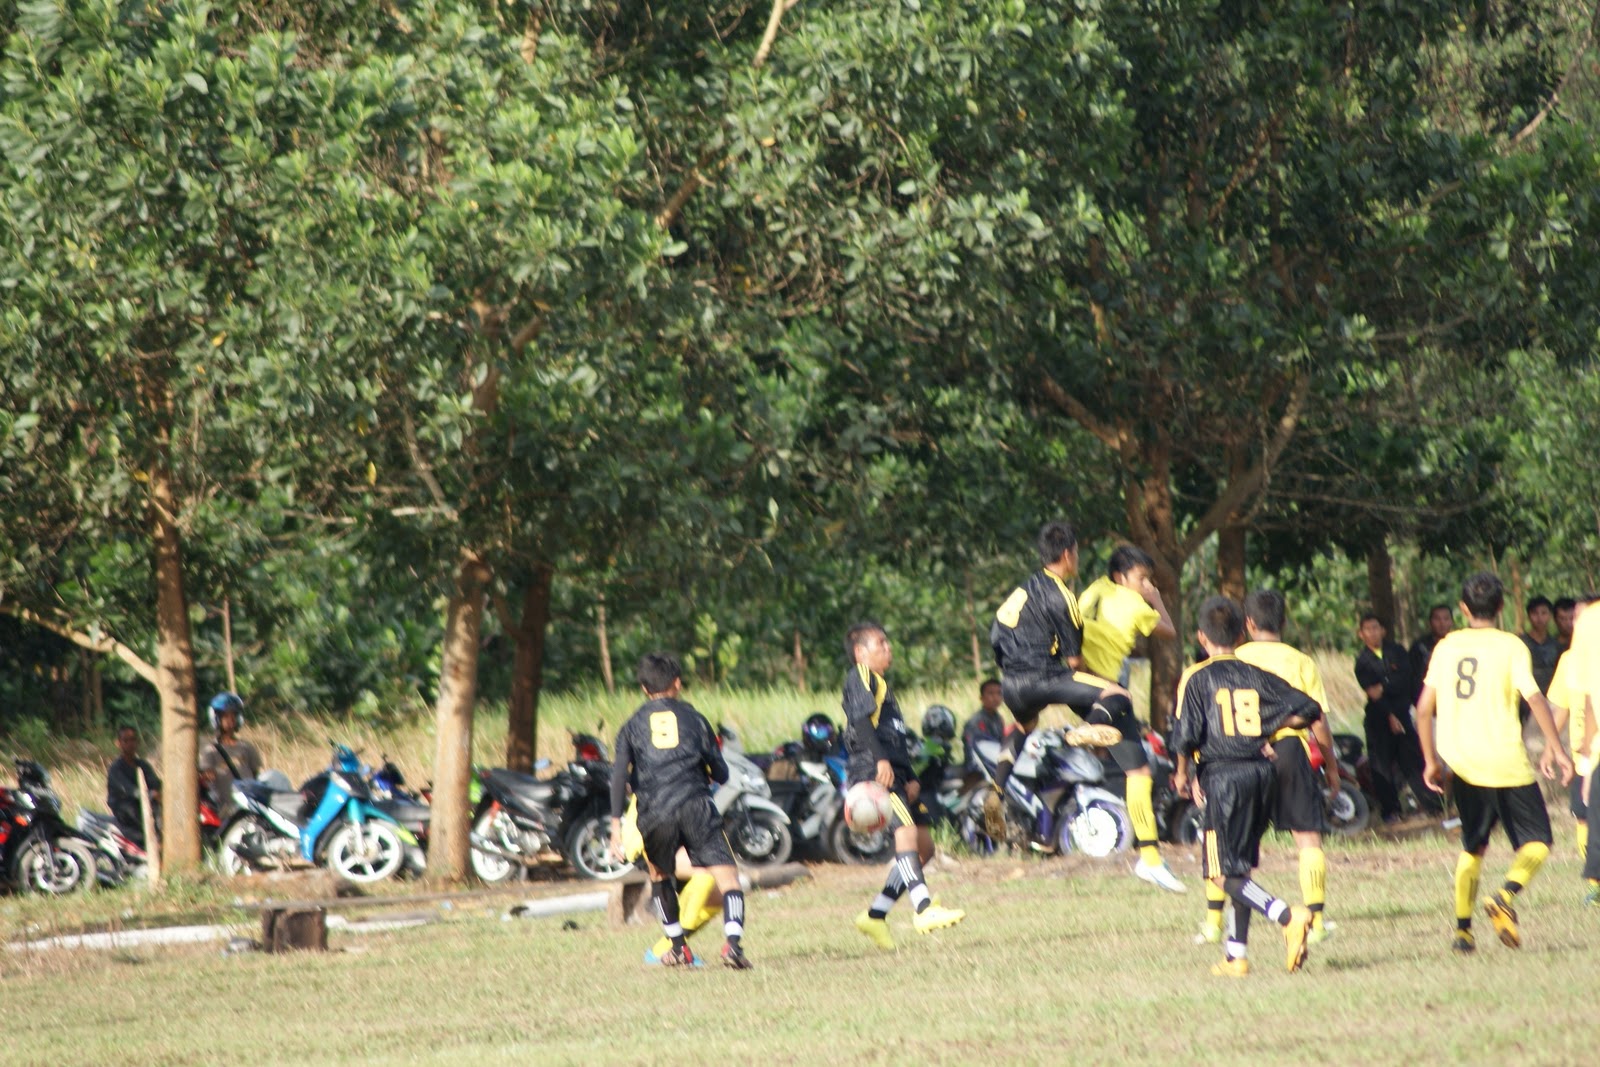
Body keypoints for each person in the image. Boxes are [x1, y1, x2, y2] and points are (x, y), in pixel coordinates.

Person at [989, 522, 1183, 891]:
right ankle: (1151, 859)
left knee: (1023, 726)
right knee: (1136, 759)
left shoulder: (1091, 589)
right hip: (1087, 686)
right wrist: (1155, 598)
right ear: (1122, 577)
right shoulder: (1132, 604)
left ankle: (996, 791)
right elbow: (1168, 631)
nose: (1146, 585)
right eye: (1143, 579)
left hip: (1023, 678)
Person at [1414, 572, 1574, 954]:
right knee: (1538, 841)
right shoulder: (1511, 646)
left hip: (1463, 762)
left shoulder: (1447, 645)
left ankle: (1463, 932)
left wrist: (1430, 762)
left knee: (1473, 846)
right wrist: (1556, 747)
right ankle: (1504, 896)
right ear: (1501, 608)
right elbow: (1534, 698)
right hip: (1504, 759)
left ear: (1463, 609)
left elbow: (1423, 709)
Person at [1170, 596, 1320, 977]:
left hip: (1224, 779)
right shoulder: (1256, 675)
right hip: (1260, 776)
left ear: (1202, 637)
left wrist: (1183, 774)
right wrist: (1272, 730)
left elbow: (1185, 735)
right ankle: (1236, 956)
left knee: (1221, 873)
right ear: (1240, 633)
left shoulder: (1198, 678)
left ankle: (1286, 915)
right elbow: (1309, 707)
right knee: (1240, 869)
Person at [1195, 590, 1340, 945]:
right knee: (1307, 838)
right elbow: (1317, 721)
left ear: (1248, 624)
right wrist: (1332, 768)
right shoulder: (1301, 661)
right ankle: (1316, 921)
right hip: (1289, 747)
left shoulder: (1233, 657)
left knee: (1227, 845)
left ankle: (1215, 924)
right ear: (1284, 622)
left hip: (1241, 754)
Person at [608, 652, 750, 969]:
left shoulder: (631, 726)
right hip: (696, 804)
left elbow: (618, 776)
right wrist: (709, 774)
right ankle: (733, 946)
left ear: (644, 689)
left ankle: (677, 947)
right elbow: (722, 772)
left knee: (660, 877)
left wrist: (615, 827)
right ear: (678, 683)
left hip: (654, 810)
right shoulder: (695, 719)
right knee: (729, 879)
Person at [844, 622, 965, 949]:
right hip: (874, 770)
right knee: (906, 834)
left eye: (887, 643)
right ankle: (923, 909)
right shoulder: (860, 676)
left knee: (924, 847)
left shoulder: (883, 685)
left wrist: (910, 776)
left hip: (897, 773)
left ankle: (875, 915)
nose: (889, 648)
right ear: (860, 652)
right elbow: (859, 723)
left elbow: (895, 738)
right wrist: (881, 761)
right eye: (881, 643)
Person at [1353, 614, 1441, 822]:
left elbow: (1404, 679)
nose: (1373, 632)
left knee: (1413, 761)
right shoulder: (1362, 661)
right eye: (1368, 629)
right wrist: (1389, 713)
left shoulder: (1398, 651)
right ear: (1361, 634)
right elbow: (1372, 694)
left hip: (1403, 712)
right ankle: (1391, 812)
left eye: (1376, 628)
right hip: (1379, 717)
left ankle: (1434, 806)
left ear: (1383, 630)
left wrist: (1384, 685)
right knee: (1381, 766)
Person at [1547, 594, 1600, 904]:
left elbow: (1593, 704)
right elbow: (1563, 706)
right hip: (1584, 752)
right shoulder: (1569, 659)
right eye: (1574, 617)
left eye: (1582, 616)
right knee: (1582, 814)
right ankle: (1593, 883)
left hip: (1592, 748)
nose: (1577, 622)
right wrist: (1551, 747)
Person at [198, 691, 262, 820]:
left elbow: (256, 776)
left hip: (249, 805)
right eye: (226, 716)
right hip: (227, 809)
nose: (230, 720)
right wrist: (207, 776)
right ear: (216, 718)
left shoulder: (246, 747)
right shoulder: (210, 751)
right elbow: (206, 777)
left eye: (233, 715)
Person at [106, 724, 161, 848]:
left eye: (133, 740)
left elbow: (155, 782)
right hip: (124, 806)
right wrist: (151, 794)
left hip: (144, 802)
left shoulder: (143, 765)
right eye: (126, 740)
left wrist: (158, 792)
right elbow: (130, 790)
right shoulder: (116, 769)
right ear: (118, 743)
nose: (130, 744)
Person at [961, 679, 1008, 772]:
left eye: (999, 693)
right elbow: (971, 750)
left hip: (994, 763)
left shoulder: (998, 719)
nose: (995, 698)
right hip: (979, 768)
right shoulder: (976, 721)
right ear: (981, 698)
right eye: (990, 693)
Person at [1409, 605, 1455, 697]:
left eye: (1446, 619)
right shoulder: (1419, 647)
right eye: (1437, 619)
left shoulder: (1458, 644)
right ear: (1430, 622)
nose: (1442, 623)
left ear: (1451, 622)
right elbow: (1413, 678)